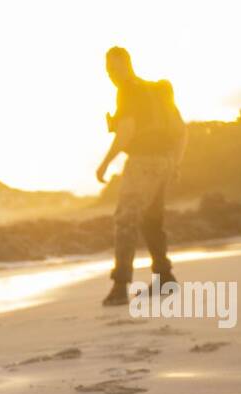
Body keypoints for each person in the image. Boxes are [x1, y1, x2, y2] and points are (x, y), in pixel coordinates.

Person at [95, 46, 187, 306]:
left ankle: (120, 287)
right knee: (150, 221)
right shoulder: (157, 91)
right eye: (108, 70)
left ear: (125, 65)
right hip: (164, 163)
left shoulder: (127, 90)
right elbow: (182, 132)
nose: (111, 74)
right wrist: (175, 164)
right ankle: (165, 279)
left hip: (143, 163)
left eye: (113, 68)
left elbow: (126, 132)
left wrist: (104, 164)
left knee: (125, 221)